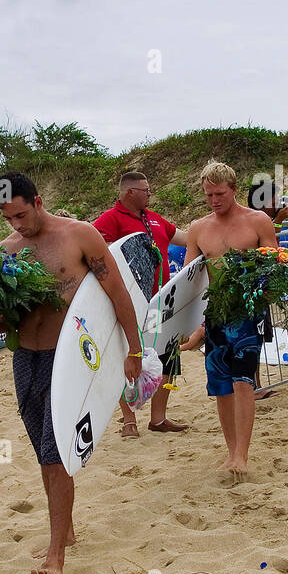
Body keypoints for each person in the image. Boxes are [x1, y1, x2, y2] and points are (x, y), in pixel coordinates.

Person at [0, 172, 143, 574]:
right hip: (25, 358)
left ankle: (55, 555)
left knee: (56, 454)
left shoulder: (80, 236)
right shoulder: (6, 251)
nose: (16, 225)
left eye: (20, 214)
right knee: (42, 451)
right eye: (8, 218)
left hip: (69, 358)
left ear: (37, 200)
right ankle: (65, 531)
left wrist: (134, 348)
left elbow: (117, 292)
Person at [183, 161, 278, 476]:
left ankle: (242, 454)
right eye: (208, 195)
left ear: (234, 189)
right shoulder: (198, 229)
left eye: (219, 193)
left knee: (243, 382)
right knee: (221, 386)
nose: (214, 200)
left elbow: (273, 266)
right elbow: (189, 282)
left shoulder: (258, 221)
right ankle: (231, 450)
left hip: (248, 313)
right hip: (217, 316)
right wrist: (190, 328)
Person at [92, 170, 191, 437]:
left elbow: (184, 237)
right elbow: (92, 248)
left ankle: (158, 418)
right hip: (129, 302)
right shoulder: (110, 219)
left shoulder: (155, 219)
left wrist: (212, 226)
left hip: (163, 299)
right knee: (126, 357)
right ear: (130, 193)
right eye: (146, 190)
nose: (150, 194)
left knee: (169, 356)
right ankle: (128, 420)